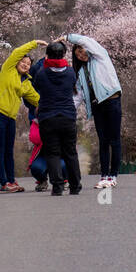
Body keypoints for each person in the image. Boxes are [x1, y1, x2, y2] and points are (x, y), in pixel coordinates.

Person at [0, 39, 46, 193]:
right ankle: (4, 183)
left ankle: (11, 180)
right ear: (17, 62)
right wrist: (34, 43)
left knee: (8, 151)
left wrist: (53, 106)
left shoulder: (26, 83)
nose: (25, 65)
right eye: (23, 62)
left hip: (10, 118)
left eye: (28, 64)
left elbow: (36, 99)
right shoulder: (8, 69)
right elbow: (17, 52)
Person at [66, 32, 122, 189]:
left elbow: (87, 41)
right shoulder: (80, 72)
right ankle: (104, 175)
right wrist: (68, 110)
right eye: (77, 54)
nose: (81, 55)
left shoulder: (100, 57)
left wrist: (67, 38)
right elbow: (78, 96)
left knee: (114, 139)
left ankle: (113, 175)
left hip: (111, 100)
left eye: (82, 50)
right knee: (103, 141)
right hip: (97, 106)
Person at [30, 40, 82, 196]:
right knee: (70, 152)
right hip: (67, 116)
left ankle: (57, 186)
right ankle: (75, 185)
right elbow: (73, 85)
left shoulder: (42, 73)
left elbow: (37, 86)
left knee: (52, 153)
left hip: (48, 117)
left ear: (47, 56)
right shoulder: (70, 72)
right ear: (64, 54)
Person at [27, 114, 66, 192]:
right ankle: (42, 181)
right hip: (42, 156)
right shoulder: (36, 122)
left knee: (64, 165)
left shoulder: (60, 120)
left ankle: (64, 181)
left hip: (58, 155)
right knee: (35, 168)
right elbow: (35, 139)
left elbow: (63, 138)